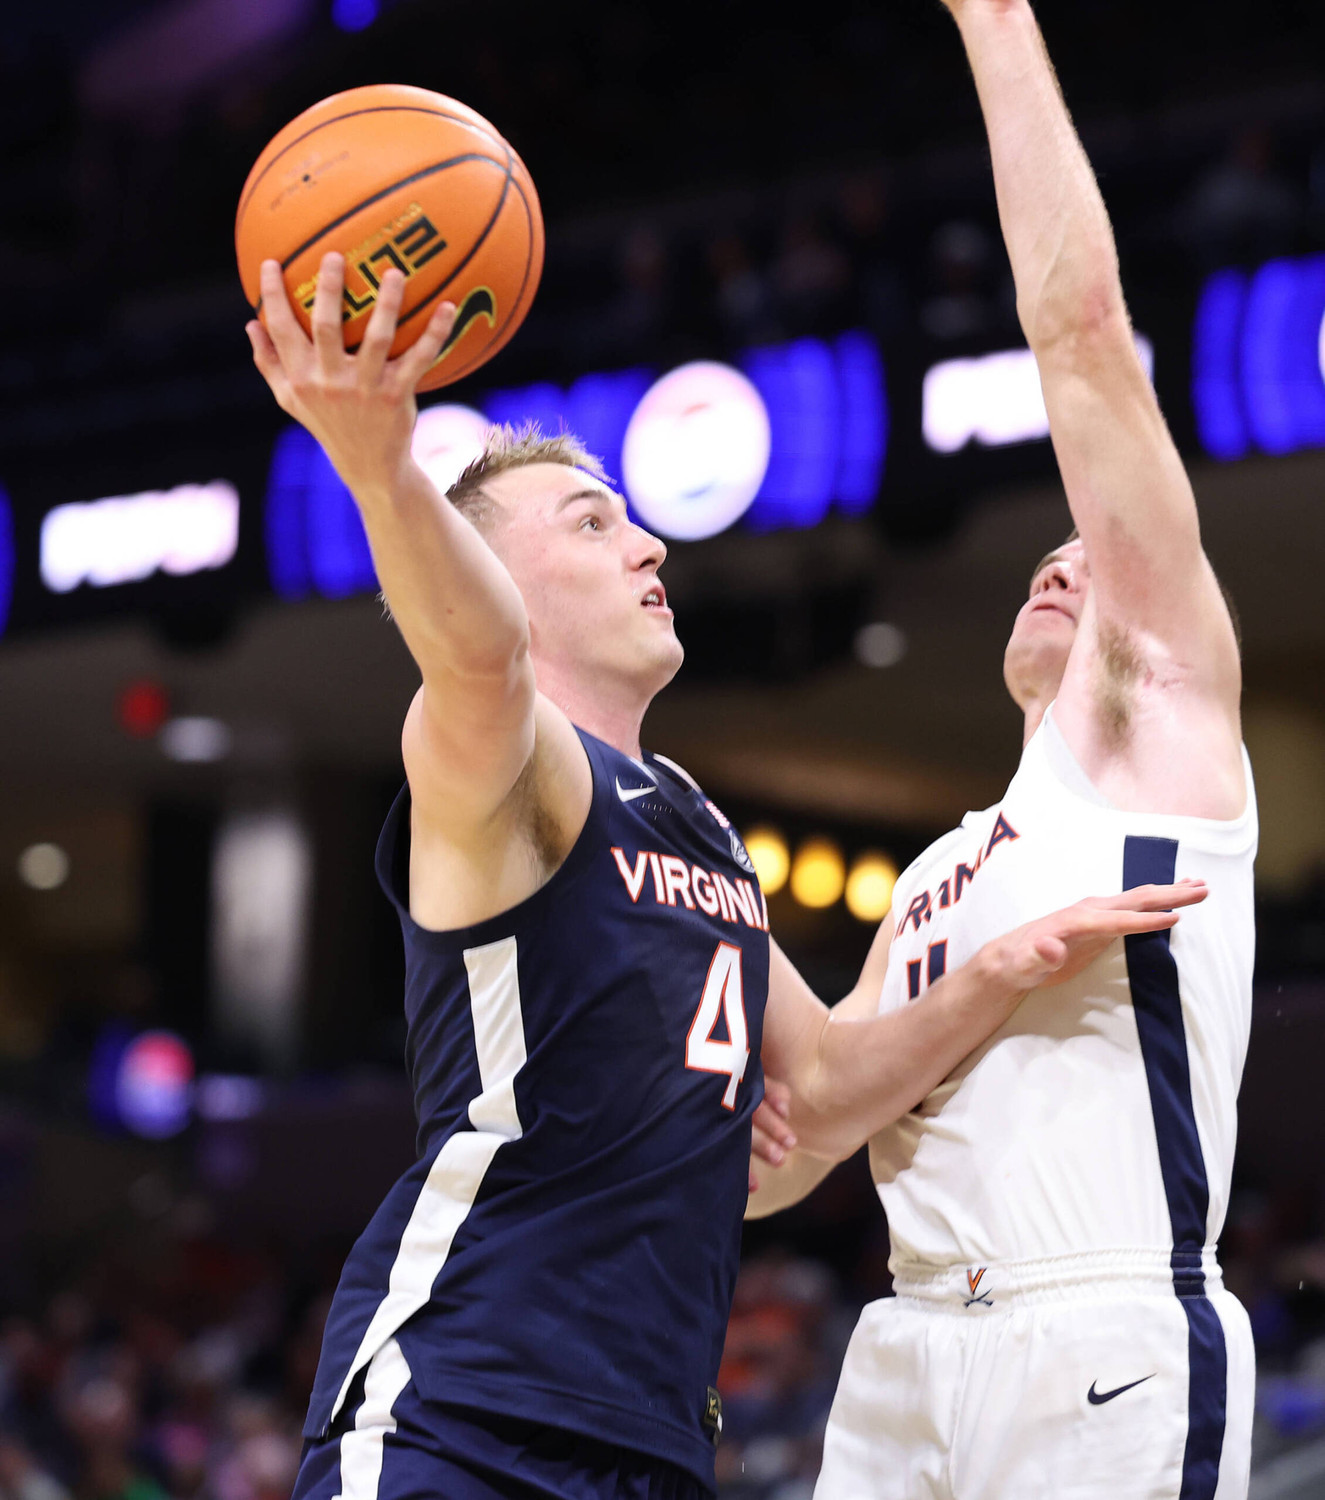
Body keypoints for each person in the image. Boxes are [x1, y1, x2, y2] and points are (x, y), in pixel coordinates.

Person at [244, 253, 1205, 1500]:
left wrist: (1007, 967)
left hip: (649, 1436)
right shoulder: (500, 759)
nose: (647, 542)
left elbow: (819, 1085)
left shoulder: (694, 820)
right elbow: (476, 656)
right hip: (462, 1402)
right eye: (591, 523)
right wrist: (381, 466)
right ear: (503, 584)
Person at [748, 3, 1256, 1497]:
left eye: (1088, 553)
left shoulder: (1154, 724)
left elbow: (1079, 335)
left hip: (1096, 1333)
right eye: (1045, 555)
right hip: (905, 1347)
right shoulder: (928, 879)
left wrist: (991, 20)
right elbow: (795, 1154)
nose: (1063, 563)